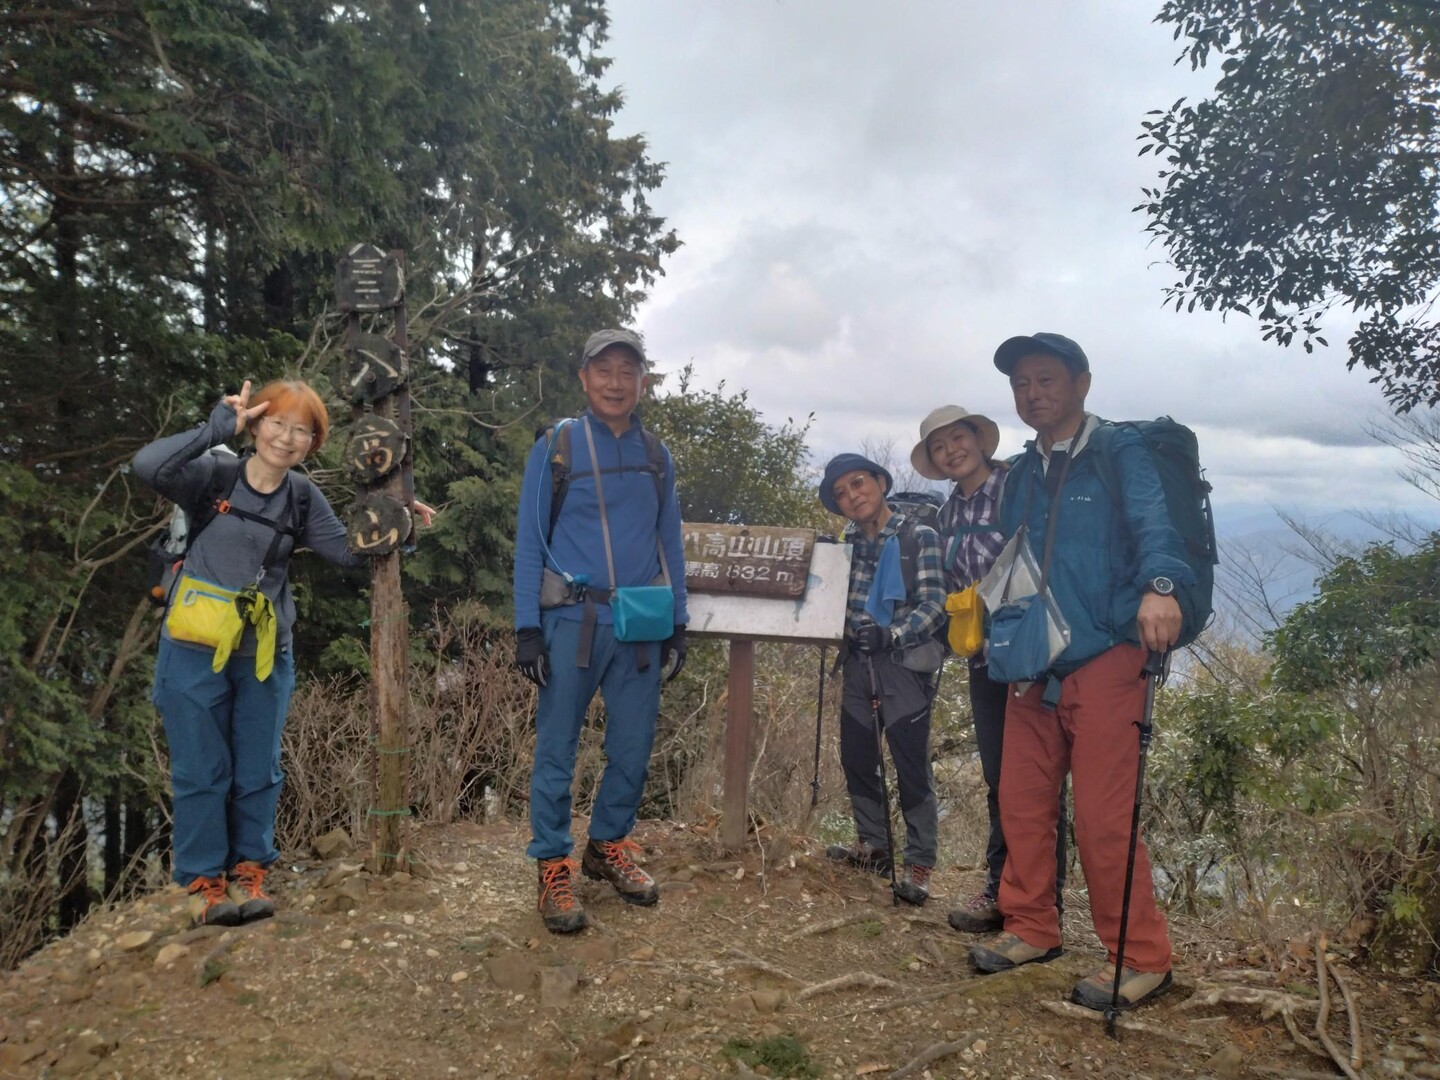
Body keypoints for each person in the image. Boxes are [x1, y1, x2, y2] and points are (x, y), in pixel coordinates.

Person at [134, 379, 436, 928]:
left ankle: (250, 870)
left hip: (264, 649)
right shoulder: (213, 475)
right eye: (278, 422)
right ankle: (204, 880)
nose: (287, 437)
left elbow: (348, 553)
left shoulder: (301, 496)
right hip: (193, 644)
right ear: (256, 423)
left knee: (258, 765)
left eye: (303, 429)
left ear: (313, 442)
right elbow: (149, 466)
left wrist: (395, 518)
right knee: (202, 766)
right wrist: (213, 429)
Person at [967, 333, 1191, 1012]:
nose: (1032, 394)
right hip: (1034, 660)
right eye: (1021, 385)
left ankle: (1142, 958)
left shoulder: (1117, 450)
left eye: (1045, 380)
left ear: (1081, 383)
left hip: (1107, 657)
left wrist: (1161, 585)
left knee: (1101, 818)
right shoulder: (1022, 472)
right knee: (1022, 802)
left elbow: (1156, 523)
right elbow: (1015, 555)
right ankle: (1032, 926)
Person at [512, 329, 688, 935]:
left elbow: (671, 540)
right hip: (570, 621)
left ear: (643, 382)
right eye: (604, 370)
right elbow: (530, 543)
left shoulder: (656, 454)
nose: (616, 382)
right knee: (558, 748)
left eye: (628, 371)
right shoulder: (558, 447)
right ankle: (553, 863)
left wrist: (679, 618)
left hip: (638, 620)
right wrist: (526, 628)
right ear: (584, 379)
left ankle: (607, 843)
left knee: (633, 747)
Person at [908, 406, 1070, 933]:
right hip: (985, 658)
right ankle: (1006, 891)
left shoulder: (1014, 486)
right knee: (1000, 778)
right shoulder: (946, 512)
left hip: (1031, 652)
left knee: (1036, 780)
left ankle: (1038, 899)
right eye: (939, 446)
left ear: (978, 440)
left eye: (958, 439)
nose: (951, 450)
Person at [820, 453, 947, 906]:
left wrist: (892, 633)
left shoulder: (920, 536)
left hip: (905, 666)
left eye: (858, 484)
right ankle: (873, 845)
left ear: (879, 482)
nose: (852, 496)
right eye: (841, 493)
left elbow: (934, 604)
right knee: (857, 757)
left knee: (910, 766)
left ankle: (919, 863)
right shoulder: (846, 542)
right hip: (857, 662)